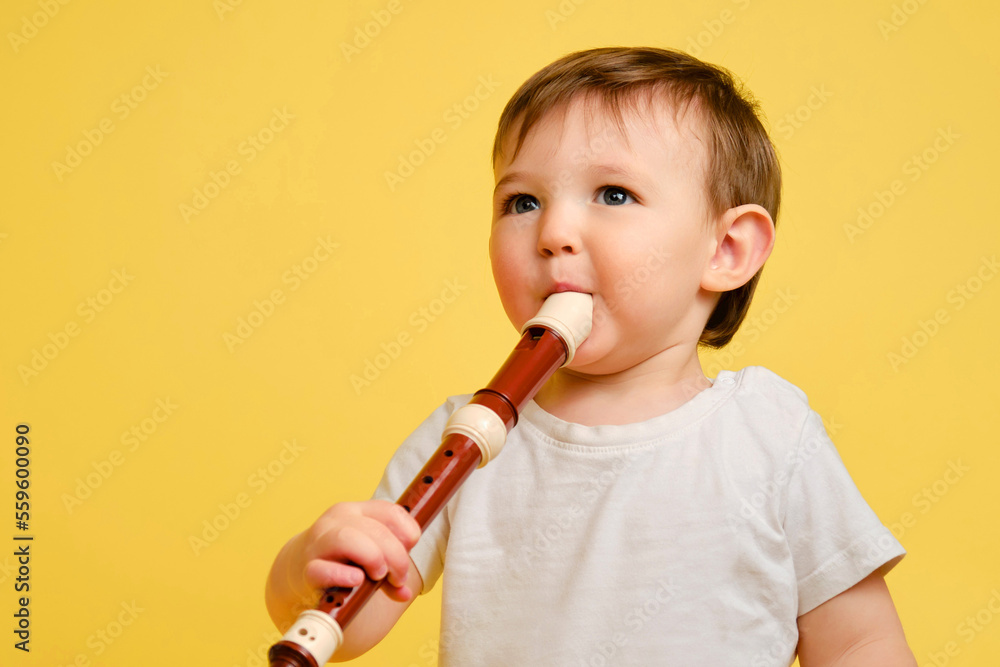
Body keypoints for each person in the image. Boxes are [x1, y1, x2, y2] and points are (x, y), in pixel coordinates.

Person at [266, 46, 916, 665]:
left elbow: (860, 645)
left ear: (726, 250)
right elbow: (349, 623)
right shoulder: (460, 437)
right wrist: (303, 566)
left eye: (613, 194)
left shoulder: (770, 434)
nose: (552, 233)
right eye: (522, 202)